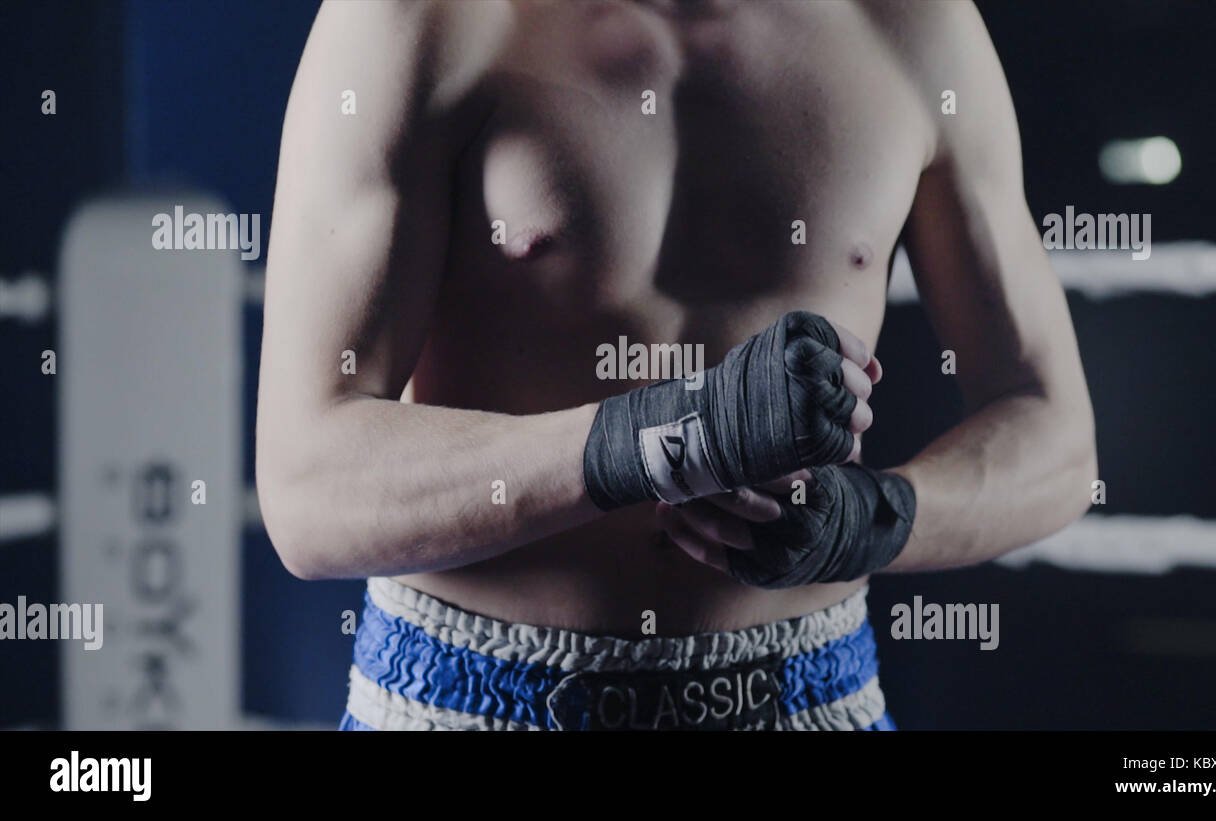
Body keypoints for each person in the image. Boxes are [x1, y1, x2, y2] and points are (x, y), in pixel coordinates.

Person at [256, 0, 1096, 731]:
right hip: (465, 699)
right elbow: (307, 491)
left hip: (812, 697)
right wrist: (656, 439)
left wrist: (871, 519)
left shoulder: (915, 24)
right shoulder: (417, 17)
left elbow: (1055, 440)